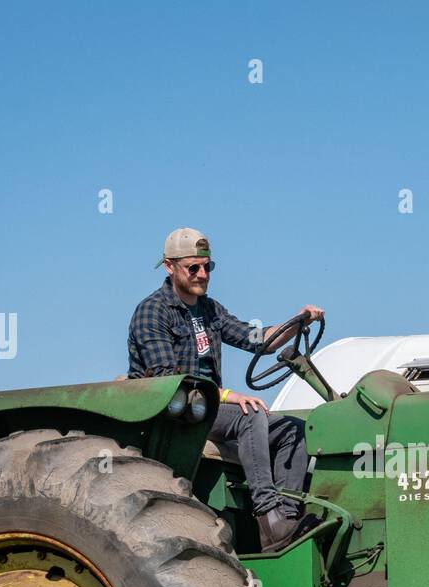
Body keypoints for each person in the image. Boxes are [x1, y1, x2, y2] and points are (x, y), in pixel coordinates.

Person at [128, 227, 321, 550]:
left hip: (208, 409)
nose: (202, 274)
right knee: (249, 416)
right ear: (169, 266)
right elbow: (166, 380)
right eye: (193, 268)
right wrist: (229, 396)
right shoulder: (153, 311)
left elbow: (254, 338)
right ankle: (267, 516)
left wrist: (297, 323)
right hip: (174, 414)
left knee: (292, 429)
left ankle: (287, 518)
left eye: (208, 267)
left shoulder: (209, 310)